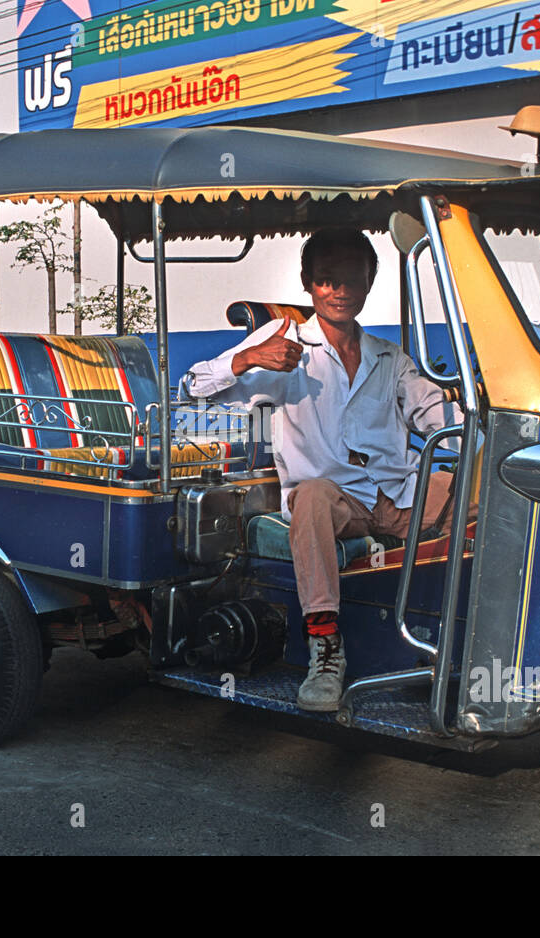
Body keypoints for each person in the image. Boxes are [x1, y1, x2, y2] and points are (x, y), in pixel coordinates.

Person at [180, 229, 462, 711]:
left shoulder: (388, 357)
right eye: (328, 279)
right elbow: (192, 390)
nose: (340, 290)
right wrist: (247, 359)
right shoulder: (283, 344)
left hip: (398, 494)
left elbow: (439, 416)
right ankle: (325, 652)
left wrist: (488, 424)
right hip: (332, 501)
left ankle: (467, 632)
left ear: (369, 284)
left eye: (352, 279)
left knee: (499, 490)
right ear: (310, 283)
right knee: (309, 496)